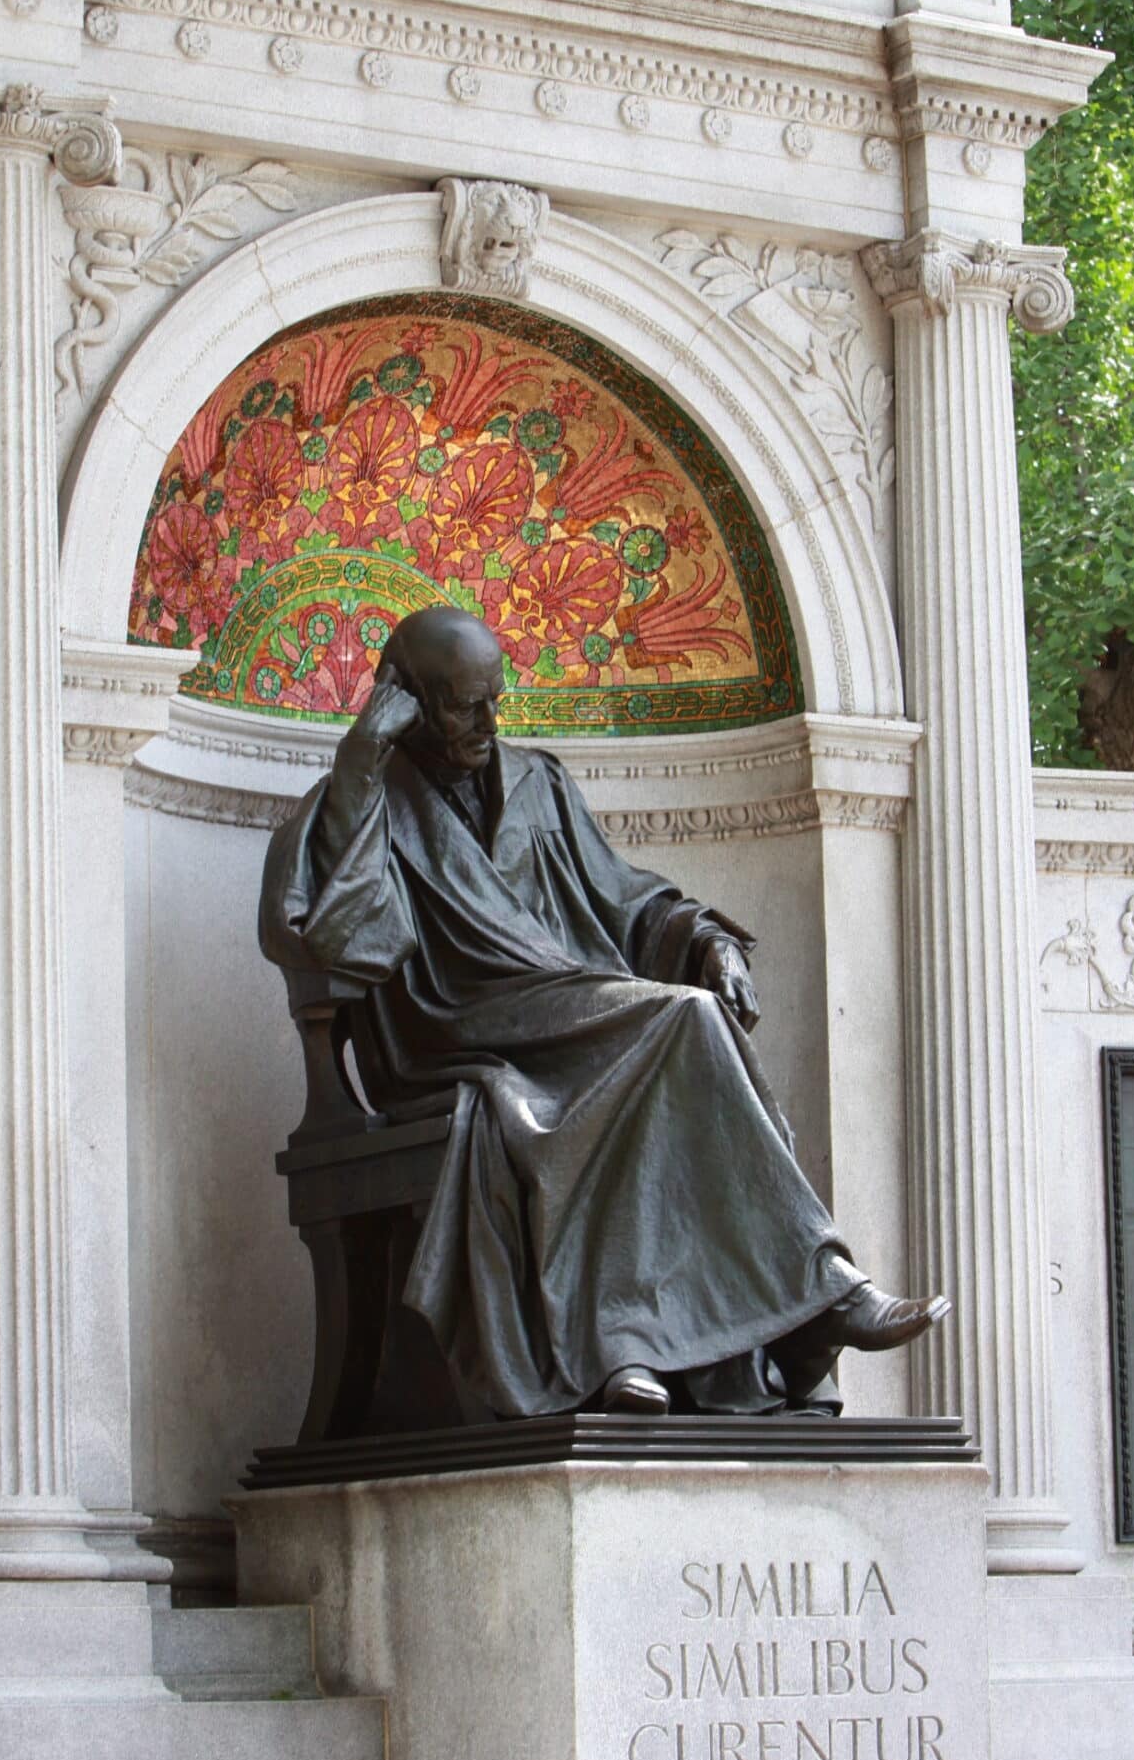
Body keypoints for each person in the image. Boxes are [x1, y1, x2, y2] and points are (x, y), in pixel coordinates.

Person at [259, 604, 949, 1419]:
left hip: (578, 1017)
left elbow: (623, 901)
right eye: (462, 704)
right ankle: (821, 1295)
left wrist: (701, 938)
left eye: (494, 698)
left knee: (678, 1044)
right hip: (455, 1026)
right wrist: (364, 756)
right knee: (683, 1025)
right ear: (400, 697)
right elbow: (334, 938)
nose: (488, 720)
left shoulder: (537, 782)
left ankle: (634, 1349)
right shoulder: (356, 798)